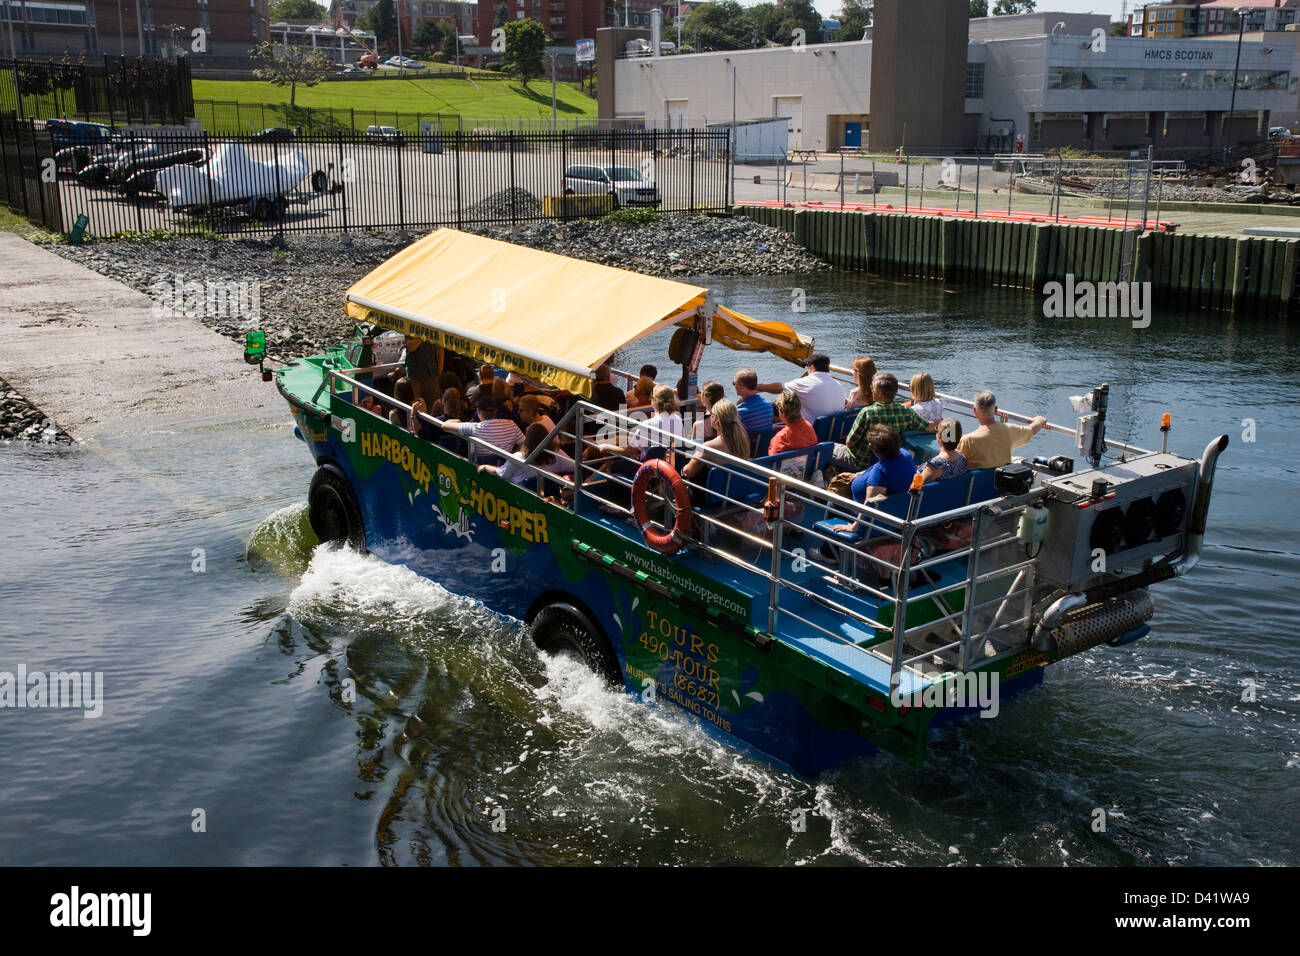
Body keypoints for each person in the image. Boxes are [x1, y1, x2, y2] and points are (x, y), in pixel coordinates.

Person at [828, 425, 915, 534]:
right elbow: (882, 466)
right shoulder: (904, 454)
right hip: (898, 510)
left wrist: (854, 527)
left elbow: (871, 504)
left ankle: (827, 550)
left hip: (877, 519)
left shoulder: (880, 472)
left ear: (874, 448)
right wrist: (858, 475)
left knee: (833, 501)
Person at [841, 372, 937, 471]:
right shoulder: (906, 411)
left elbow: (850, 442)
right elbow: (928, 427)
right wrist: (945, 425)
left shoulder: (867, 412)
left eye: (872, 388)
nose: (872, 390)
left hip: (863, 463)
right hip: (889, 462)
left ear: (879, 392)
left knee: (828, 448)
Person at [957, 390, 1046, 470]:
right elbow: (1032, 429)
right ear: (996, 410)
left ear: (975, 410)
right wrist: (1040, 421)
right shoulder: (1009, 430)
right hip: (999, 485)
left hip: (975, 486)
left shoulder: (967, 440)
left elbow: (955, 464)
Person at [757, 353, 845, 422]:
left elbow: (778, 387)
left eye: (807, 367)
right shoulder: (838, 384)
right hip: (834, 430)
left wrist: (759, 387)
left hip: (814, 433)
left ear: (812, 367)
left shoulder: (807, 382)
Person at [482, 422, 574, 486]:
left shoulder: (518, 457)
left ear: (528, 439)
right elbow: (573, 466)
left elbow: (502, 474)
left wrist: (485, 467)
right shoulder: (557, 453)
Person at [682, 398, 751, 482]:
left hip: (709, 493)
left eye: (711, 414)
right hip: (734, 489)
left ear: (717, 419)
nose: (710, 416)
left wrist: (681, 470)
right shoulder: (743, 439)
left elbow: (688, 472)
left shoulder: (709, 447)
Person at [439, 395, 524, 464]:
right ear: (496, 410)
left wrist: (457, 421)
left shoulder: (474, 427)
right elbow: (524, 443)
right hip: (505, 468)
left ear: (478, 412)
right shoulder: (511, 424)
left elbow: (444, 426)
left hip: (482, 470)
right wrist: (513, 456)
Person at [391, 334, 440, 405]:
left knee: (434, 404)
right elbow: (410, 346)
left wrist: (440, 368)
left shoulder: (434, 326)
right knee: (416, 404)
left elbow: (440, 347)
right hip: (415, 374)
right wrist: (425, 335)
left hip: (432, 373)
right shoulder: (412, 327)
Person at [767, 390, 818, 455]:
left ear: (782, 412)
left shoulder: (781, 438)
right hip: (808, 463)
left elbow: (772, 460)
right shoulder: (809, 427)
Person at [920, 418, 969, 483]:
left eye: (937, 431)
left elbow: (916, 488)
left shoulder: (935, 465)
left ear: (939, 437)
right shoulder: (962, 458)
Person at [732, 368, 775, 435]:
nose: (734, 386)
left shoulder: (739, 412)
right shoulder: (768, 406)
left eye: (734, 383)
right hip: (766, 445)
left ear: (741, 386)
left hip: (749, 445)